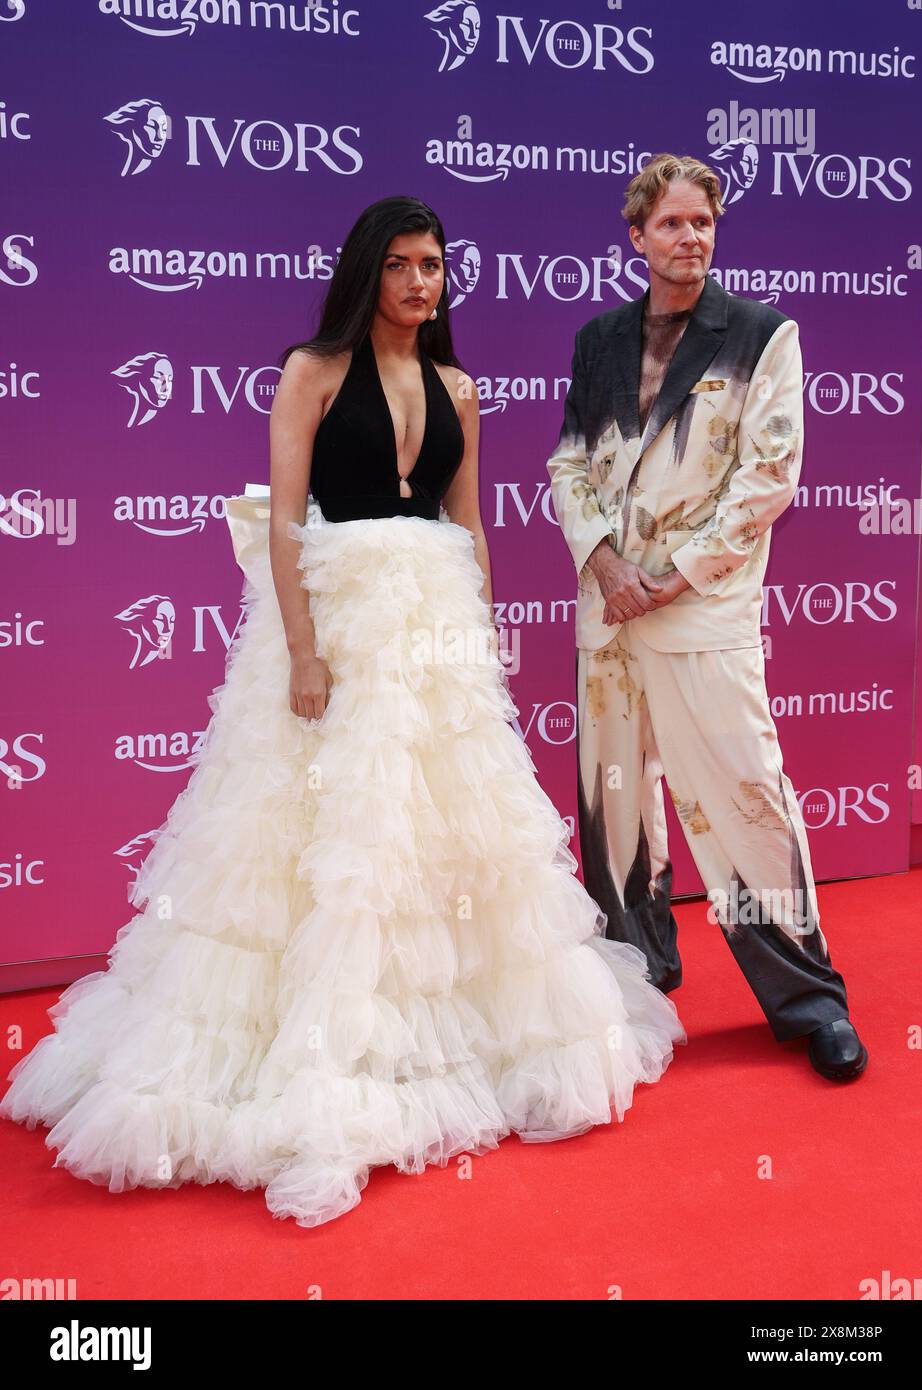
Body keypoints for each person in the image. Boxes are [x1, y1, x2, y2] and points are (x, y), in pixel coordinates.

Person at [0, 196, 685, 1229]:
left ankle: (447, 1046)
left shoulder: (458, 384)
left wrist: (478, 642)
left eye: (434, 265)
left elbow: (468, 526)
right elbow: (284, 522)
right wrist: (307, 651)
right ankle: (308, 1062)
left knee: (439, 838)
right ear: (368, 272)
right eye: (402, 264)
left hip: (433, 636)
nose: (421, 282)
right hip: (338, 623)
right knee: (323, 836)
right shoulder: (310, 372)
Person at [546, 154, 867, 1082]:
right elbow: (570, 466)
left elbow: (767, 482)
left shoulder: (763, 335)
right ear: (637, 236)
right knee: (614, 805)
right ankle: (638, 984)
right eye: (673, 224)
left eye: (704, 224)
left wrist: (672, 576)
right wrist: (605, 564)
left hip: (701, 611)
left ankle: (811, 1002)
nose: (692, 239)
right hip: (608, 612)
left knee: (744, 798)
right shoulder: (598, 340)